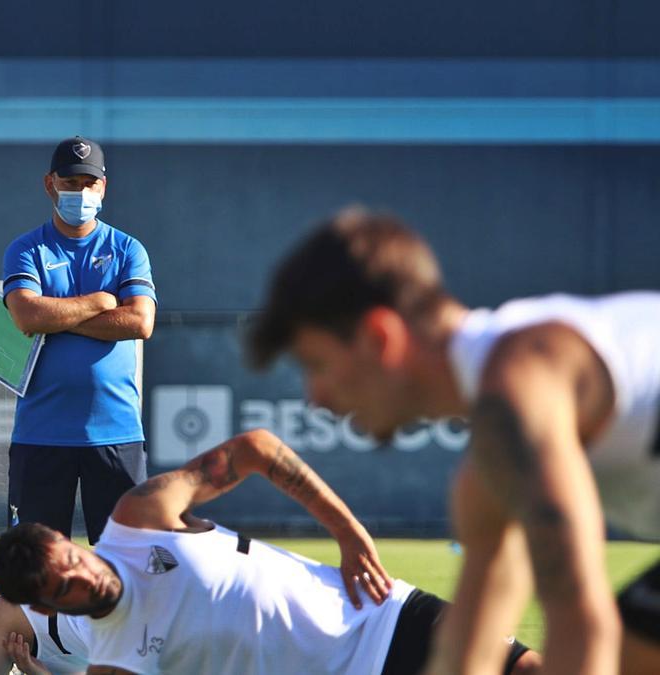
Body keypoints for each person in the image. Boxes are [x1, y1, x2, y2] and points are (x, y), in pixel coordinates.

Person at [247, 207, 660, 674]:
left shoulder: (518, 390)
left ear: (378, 337)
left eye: (317, 365)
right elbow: (471, 647)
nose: (314, 400)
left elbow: (580, 627)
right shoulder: (491, 461)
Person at [0, 429, 539, 675]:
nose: (85, 578)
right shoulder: (113, 662)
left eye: (73, 561)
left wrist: (347, 533)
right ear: (48, 610)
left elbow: (256, 449)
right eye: (65, 589)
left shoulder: (140, 517)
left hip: (377, 617)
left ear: (66, 542)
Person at [1, 135, 157, 544]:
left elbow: (140, 321)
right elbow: (26, 314)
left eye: (89, 184)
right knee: (36, 568)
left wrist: (56, 316)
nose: (80, 192)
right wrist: (98, 302)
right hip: (40, 433)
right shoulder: (26, 249)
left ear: (103, 187)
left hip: (116, 432)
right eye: (70, 183)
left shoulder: (127, 249)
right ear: (50, 184)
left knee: (125, 567)